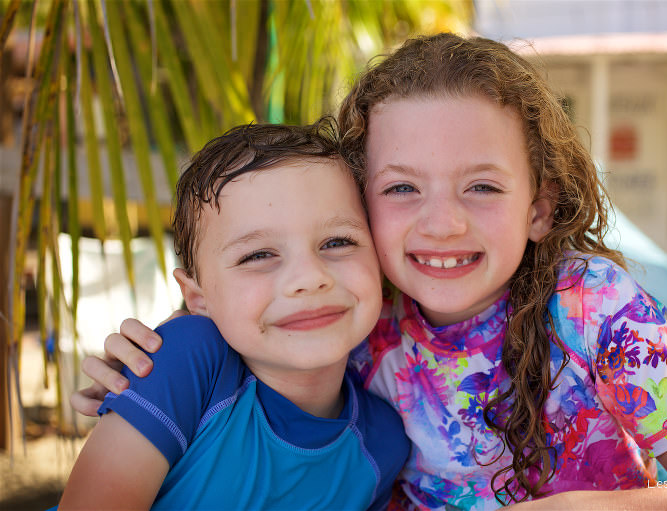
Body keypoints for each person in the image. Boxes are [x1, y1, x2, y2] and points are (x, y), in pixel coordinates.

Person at [72, 34, 667, 510]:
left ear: (540, 204)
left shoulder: (593, 307)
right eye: (403, 188)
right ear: (360, 200)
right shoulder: (362, 311)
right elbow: (255, 328)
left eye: (483, 187)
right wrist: (147, 353)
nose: (442, 223)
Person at [58, 122, 410, 511]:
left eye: (338, 242)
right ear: (197, 296)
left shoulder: (384, 443)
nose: (309, 278)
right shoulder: (189, 359)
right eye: (258, 255)